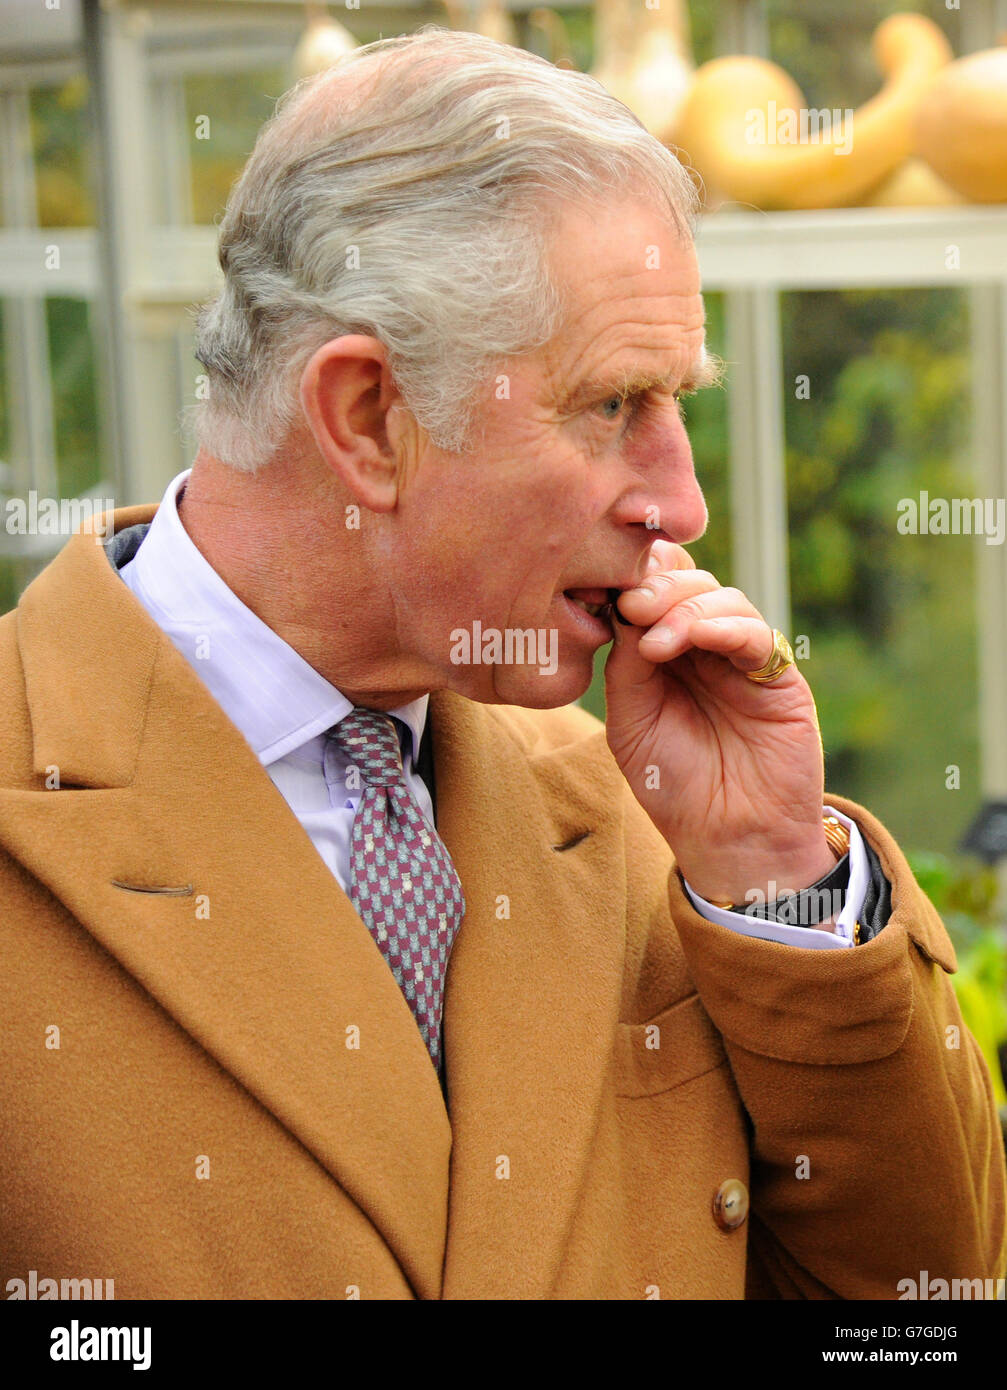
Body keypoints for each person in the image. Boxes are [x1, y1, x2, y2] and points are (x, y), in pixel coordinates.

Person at [1, 27, 1004, 1301]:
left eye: (679, 407)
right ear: (369, 419)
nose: (682, 504)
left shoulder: (647, 822)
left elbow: (908, 1309)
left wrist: (771, 876)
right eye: (612, 407)